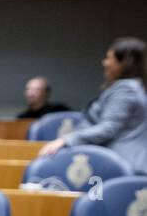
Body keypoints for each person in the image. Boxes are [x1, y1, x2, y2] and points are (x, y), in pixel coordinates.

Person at [38, 37, 147, 171]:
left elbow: (108, 128)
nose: (104, 63)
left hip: (124, 164)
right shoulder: (136, 87)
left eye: (109, 58)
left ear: (124, 62)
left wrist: (65, 140)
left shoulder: (126, 89)